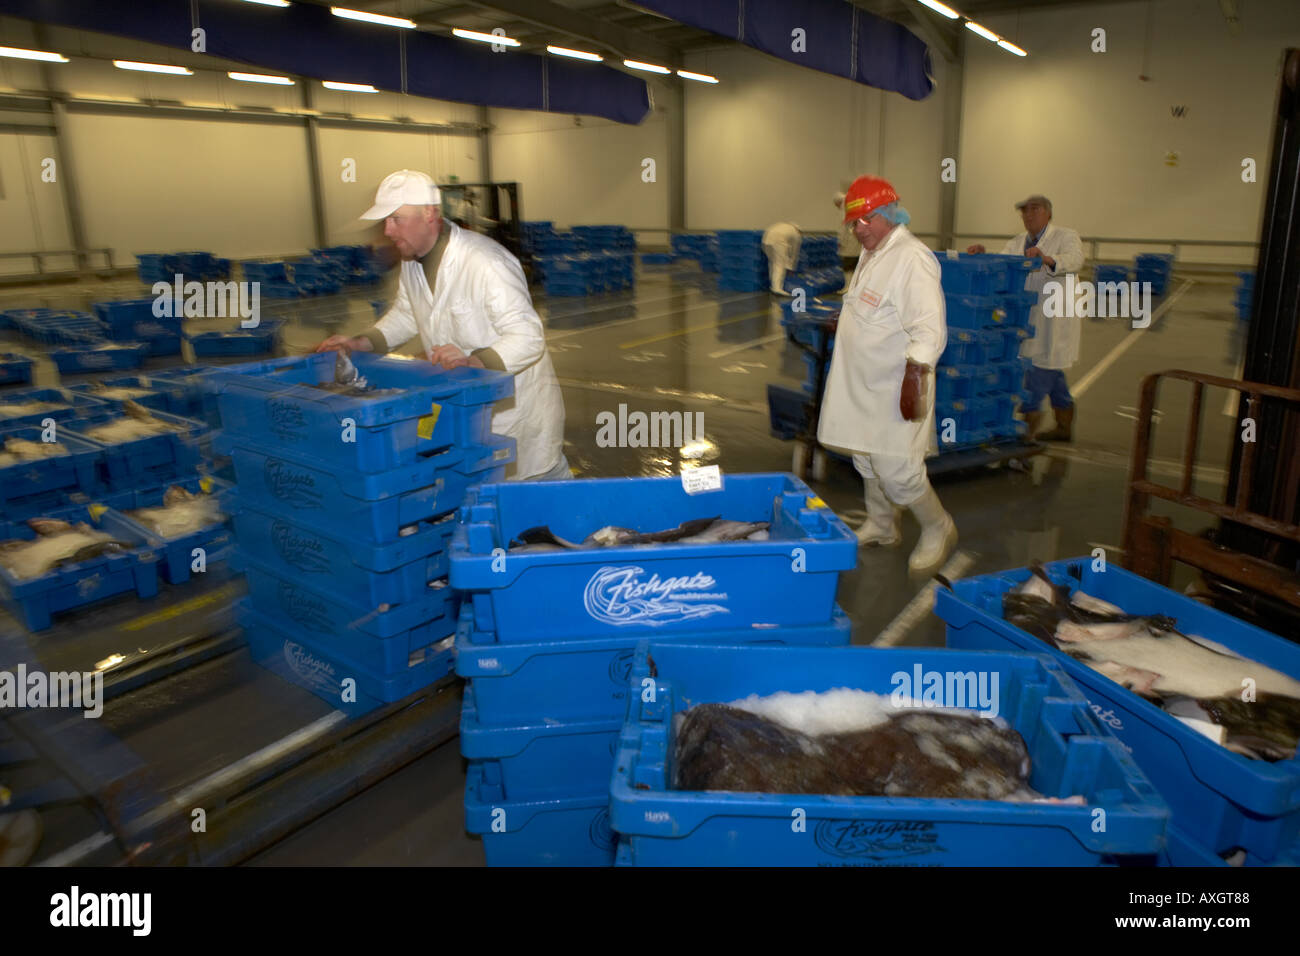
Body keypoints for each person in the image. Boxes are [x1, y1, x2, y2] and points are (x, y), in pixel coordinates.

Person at [316, 169, 569, 481]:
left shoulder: (486, 262)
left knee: (538, 500)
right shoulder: (412, 262)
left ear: (430, 214)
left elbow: (528, 336)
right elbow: (407, 315)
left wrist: (474, 362)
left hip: (515, 414)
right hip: (468, 413)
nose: (389, 231)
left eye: (396, 219)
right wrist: (360, 343)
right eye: (385, 221)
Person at [818, 175, 957, 573]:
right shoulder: (873, 250)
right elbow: (873, 304)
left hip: (897, 384)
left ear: (888, 215)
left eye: (865, 221)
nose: (858, 231)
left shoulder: (911, 259)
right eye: (853, 223)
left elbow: (930, 328)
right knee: (864, 458)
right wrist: (845, 318)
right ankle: (881, 523)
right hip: (863, 382)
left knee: (899, 472)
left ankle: (938, 526)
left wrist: (914, 379)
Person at [967, 195, 1085, 442]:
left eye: (1035, 209)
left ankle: (1024, 440)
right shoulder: (1017, 242)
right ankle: (1064, 428)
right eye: (1024, 211)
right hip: (1025, 318)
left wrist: (1048, 259)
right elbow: (1002, 264)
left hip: (1053, 321)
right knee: (1052, 377)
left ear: (1048, 214)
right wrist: (982, 255)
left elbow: (1075, 260)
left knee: (1036, 379)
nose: (1029, 215)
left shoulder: (1066, 236)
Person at [761, 222, 802, 296]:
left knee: (772, 262)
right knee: (780, 265)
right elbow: (794, 252)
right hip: (778, 241)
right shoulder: (796, 235)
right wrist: (791, 267)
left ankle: (772, 284)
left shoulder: (785, 226)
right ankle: (777, 288)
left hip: (765, 240)